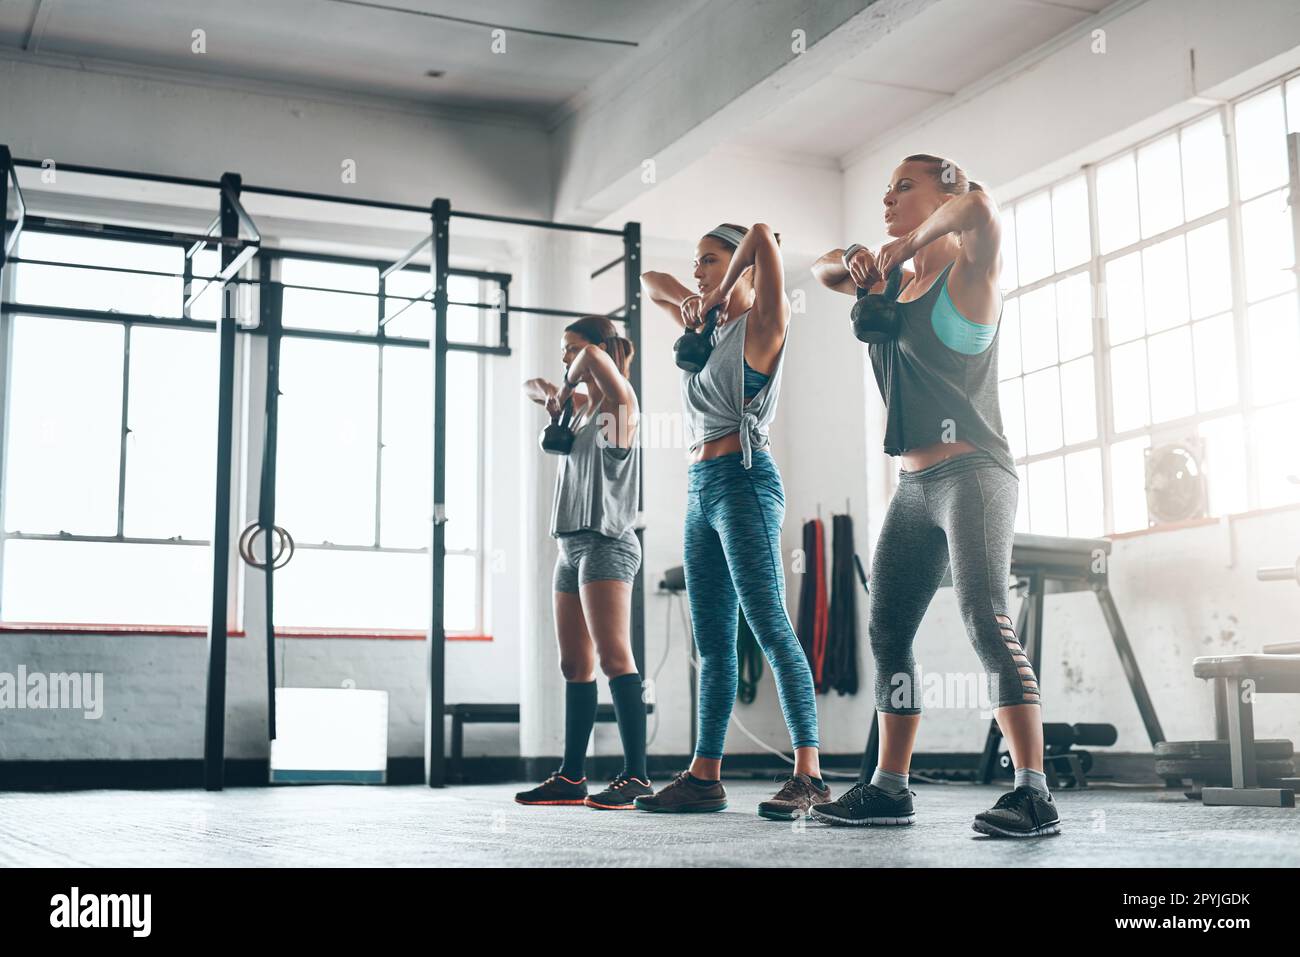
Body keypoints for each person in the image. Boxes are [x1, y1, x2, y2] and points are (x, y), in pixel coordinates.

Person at [809, 155, 1060, 838]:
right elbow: (822, 271)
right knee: (887, 630)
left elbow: (979, 207)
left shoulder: (968, 275)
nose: (887, 196)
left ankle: (1033, 791)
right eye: (884, 190)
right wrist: (869, 260)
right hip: (914, 487)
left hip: (974, 473)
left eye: (903, 186)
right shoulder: (891, 289)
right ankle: (890, 786)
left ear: (942, 190)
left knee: (986, 615)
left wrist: (906, 246)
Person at [638, 223, 829, 820]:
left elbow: (765, 237)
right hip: (699, 491)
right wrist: (701, 301)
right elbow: (652, 283)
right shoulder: (704, 330)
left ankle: (810, 774)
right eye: (696, 262)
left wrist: (723, 292)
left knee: (770, 626)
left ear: (740, 270)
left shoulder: (764, 323)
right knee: (713, 643)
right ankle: (705, 776)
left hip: (745, 483)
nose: (696, 271)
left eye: (709, 260)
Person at [516, 315, 651, 810]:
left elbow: (594, 360)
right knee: (574, 663)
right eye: (562, 350)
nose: (565, 358)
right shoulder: (574, 412)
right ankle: (572, 776)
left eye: (569, 348)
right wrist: (555, 396)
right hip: (569, 548)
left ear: (598, 347)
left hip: (607, 544)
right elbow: (531, 384)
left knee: (615, 657)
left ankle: (636, 776)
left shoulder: (620, 408)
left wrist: (573, 375)